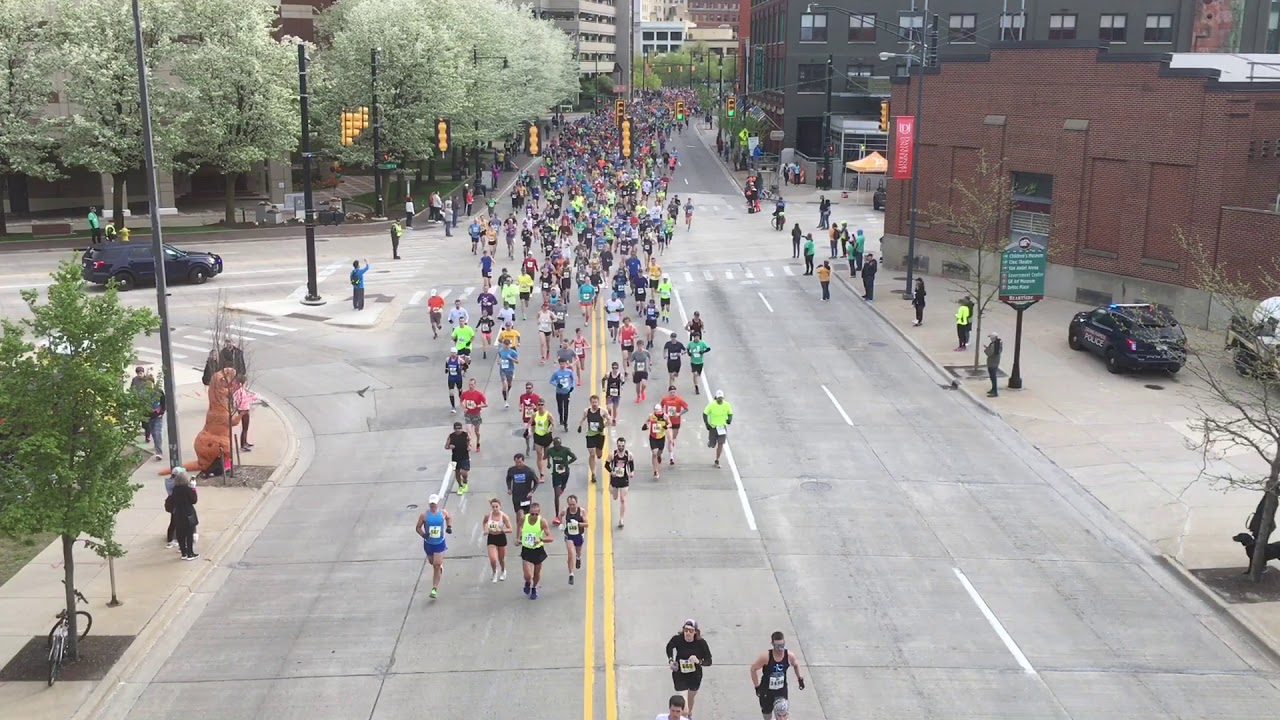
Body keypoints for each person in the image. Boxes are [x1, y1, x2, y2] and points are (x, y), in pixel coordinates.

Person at [749, 631, 806, 720]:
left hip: (781, 690)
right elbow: (753, 669)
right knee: (767, 712)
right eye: (777, 646)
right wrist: (757, 686)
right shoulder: (766, 657)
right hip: (766, 690)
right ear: (772, 644)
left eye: (782, 646)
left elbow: (796, 664)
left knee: (782, 713)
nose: (780, 649)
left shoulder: (789, 656)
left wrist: (800, 678)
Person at [666, 619, 713, 717]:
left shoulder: (701, 643)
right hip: (680, 674)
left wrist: (698, 661)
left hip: (695, 675)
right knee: (684, 709)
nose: (687, 633)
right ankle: (685, 715)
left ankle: (688, 715)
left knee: (690, 699)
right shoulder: (677, 639)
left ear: (695, 631)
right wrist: (671, 660)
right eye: (686, 630)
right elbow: (669, 647)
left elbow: (709, 661)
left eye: (691, 631)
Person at [415, 494, 453, 599]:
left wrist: (449, 527)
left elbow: (449, 518)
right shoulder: (424, 516)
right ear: (429, 504)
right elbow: (417, 527)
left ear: (437, 503)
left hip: (439, 543)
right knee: (432, 562)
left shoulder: (443, 513)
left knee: (436, 565)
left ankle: (434, 589)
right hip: (428, 544)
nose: (433, 505)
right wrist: (423, 534)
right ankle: (439, 566)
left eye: (434, 504)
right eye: (431, 504)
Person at [519, 501, 554, 600]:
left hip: (538, 550)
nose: (534, 516)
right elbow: (519, 526)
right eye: (532, 513)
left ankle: (534, 587)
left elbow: (550, 537)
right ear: (529, 512)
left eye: (536, 514)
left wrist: (541, 540)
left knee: (536, 573)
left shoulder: (542, 521)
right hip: (526, 549)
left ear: (539, 513)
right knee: (527, 575)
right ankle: (528, 582)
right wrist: (519, 537)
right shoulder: (524, 518)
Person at [168, 468, 199, 560]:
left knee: (180, 534)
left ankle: (183, 553)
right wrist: (193, 489)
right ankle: (190, 553)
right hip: (188, 514)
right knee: (189, 535)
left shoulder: (175, 490)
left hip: (178, 514)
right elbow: (194, 500)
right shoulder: (188, 490)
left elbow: (172, 501)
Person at [546, 436, 577, 520]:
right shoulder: (550, 450)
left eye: (558, 444)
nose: (556, 446)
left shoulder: (566, 450)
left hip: (565, 473)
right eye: (555, 444)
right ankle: (557, 516)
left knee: (563, 486)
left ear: (560, 444)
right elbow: (547, 455)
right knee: (556, 495)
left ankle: (562, 488)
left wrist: (565, 464)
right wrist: (548, 463)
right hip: (556, 474)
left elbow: (574, 457)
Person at [577, 394, 607, 483]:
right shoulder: (587, 411)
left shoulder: (602, 411)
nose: (594, 404)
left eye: (596, 402)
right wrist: (580, 426)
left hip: (599, 434)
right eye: (592, 402)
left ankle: (599, 454)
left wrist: (603, 426)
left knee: (599, 454)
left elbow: (609, 420)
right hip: (590, 435)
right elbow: (583, 419)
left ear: (598, 402)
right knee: (592, 454)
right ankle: (593, 473)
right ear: (590, 402)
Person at [483, 497, 512, 582]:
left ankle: (503, 570)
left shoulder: (504, 517)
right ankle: (494, 572)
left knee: (501, 559)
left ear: (500, 506)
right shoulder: (488, 515)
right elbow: (484, 522)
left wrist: (502, 530)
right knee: (493, 558)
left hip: (501, 538)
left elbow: (510, 529)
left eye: (496, 506)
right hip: (491, 538)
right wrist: (485, 530)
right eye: (493, 507)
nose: (495, 509)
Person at [559, 494, 586, 585]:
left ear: (576, 503)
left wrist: (578, 523)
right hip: (569, 535)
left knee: (578, 551)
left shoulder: (581, 511)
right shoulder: (566, 511)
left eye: (573, 504)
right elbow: (560, 515)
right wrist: (561, 524)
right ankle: (571, 574)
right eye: (570, 504)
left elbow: (587, 524)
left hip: (578, 534)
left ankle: (579, 558)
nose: (571, 506)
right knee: (570, 553)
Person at [505, 452, 538, 527]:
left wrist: (532, 491)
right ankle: (520, 531)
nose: (518, 464)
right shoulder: (511, 470)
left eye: (520, 462)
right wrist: (509, 488)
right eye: (516, 462)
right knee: (519, 514)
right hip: (516, 496)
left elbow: (536, 481)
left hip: (526, 496)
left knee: (525, 515)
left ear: (523, 461)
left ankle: (524, 529)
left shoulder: (529, 470)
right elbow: (508, 479)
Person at [608, 437, 635, 529]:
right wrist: (611, 472)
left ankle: (621, 519)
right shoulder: (612, 454)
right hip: (615, 479)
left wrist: (631, 472)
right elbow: (606, 465)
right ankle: (611, 489)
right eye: (619, 446)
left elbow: (631, 464)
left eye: (622, 446)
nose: (620, 448)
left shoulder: (629, 454)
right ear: (617, 445)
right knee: (615, 497)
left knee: (623, 499)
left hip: (624, 479)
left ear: (625, 445)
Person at [703, 390, 733, 469]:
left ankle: (717, 459)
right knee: (712, 445)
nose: (720, 399)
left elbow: (730, 413)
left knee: (721, 443)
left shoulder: (727, 405)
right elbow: (705, 413)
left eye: (721, 398)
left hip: (722, 427)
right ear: (716, 398)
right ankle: (711, 442)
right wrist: (707, 424)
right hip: (713, 427)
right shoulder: (711, 405)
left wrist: (729, 419)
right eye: (719, 398)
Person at [459, 378, 488, 451]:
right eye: (469, 384)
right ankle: (470, 444)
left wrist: (478, 406)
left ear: (475, 385)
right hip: (468, 414)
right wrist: (464, 408)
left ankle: (478, 443)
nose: (470, 386)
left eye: (472, 384)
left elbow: (486, 404)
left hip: (476, 414)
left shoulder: (479, 394)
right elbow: (461, 401)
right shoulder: (465, 393)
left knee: (476, 432)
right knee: (468, 430)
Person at [642, 404, 669, 479]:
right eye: (656, 411)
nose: (657, 413)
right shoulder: (651, 416)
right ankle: (655, 471)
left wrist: (667, 426)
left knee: (659, 452)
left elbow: (670, 423)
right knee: (654, 453)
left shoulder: (665, 416)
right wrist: (645, 425)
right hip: (653, 437)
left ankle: (659, 455)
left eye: (659, 412)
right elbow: (647, 421)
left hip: (661, 437)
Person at [444, 421, 471, 494]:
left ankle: (465, 481)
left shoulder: (465, 435)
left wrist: (469, 446)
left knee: (464, 472)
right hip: (455, 457)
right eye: (456, 428)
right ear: (454, 429)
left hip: (464, 456)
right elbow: (446, 446)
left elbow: (469, 441)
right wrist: (449, 446)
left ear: (461, 428)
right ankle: (460, 486)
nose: (458, 430)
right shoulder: (451, 436)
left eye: (459, 428)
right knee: (457, 473)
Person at [550, 360, 575, 431]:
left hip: (566, 392)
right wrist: (557, 384)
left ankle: (566, 423)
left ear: (566, 364)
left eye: (563, 364)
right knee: (560, 406)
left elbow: (573, 379)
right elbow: (551, 381)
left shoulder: (569, 372)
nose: (562, 365)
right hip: (559, 392)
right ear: (559, 364)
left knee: (566, 407)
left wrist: (572, 386)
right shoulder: (556, 373)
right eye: (561, 364)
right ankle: (561, 417)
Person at [445, 348, 465, 413]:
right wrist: (446, 369)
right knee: (451, 392)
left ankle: (461, 401)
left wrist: (462, 370)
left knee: (460, 390)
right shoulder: (448, 359)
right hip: (451, 378)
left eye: (454, 353)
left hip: (458, 377)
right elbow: (446, 365)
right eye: (452, 353)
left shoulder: (459, 359)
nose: (453, 354)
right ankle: (453, 407)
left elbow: (466, 365)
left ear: (456, 353)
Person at [985, 331, 1003, 398]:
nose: (990, 339)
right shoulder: (998, 343)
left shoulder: (993, 345)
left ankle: (994, 391)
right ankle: (993, 389)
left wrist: (986, 349)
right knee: (993, 376)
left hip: (992, 362)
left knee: (993, 377)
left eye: (991, 338)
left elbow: (989, 353)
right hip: (996, 361)